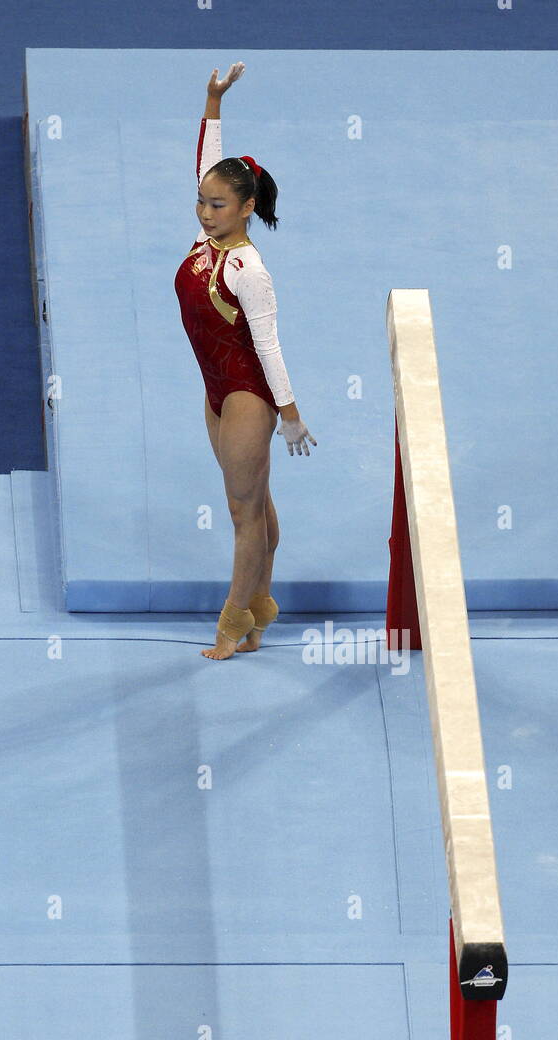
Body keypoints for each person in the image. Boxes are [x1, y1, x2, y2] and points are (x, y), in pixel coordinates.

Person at [174, 61, 317, 660]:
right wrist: (212, 99)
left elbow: (269, 344)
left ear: (247, 207)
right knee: (255, 503)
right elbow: (209, 159)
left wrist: (289, 414)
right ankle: (262, 605)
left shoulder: (247, 269)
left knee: (241, 511)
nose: (206, 214)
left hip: (247, 395)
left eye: (219, 207)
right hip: (215, 390)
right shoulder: (211, 240)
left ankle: (234, 623)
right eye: (202, 203)